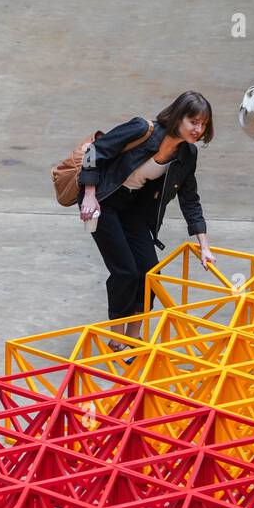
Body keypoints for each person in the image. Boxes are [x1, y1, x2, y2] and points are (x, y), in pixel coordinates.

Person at [77, 92, 217, 349]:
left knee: (150, 272)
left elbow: (190, 200)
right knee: (126, 272)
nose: (198, 129)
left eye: (203, 124)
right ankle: (116, 337)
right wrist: (89, 194)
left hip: (134, 210)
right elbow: (94, 151)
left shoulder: (187, 154)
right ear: (178, 117)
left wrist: (204, 245)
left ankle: (133, 336)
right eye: (194, 122)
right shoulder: (144, 129)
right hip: (104, 201)